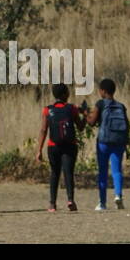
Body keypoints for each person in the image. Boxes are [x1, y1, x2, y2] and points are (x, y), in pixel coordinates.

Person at [37, 82, 84, 212]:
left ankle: (52, 204)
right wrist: (84, 115)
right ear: (65, 95)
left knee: (54, 174)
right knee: (68, 173)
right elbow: (80, 127)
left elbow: (43, 130)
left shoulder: (47, 110)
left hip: (53, 146)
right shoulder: (72, 108)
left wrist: (39, 150)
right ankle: (70, 200)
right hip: (69, 146)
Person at [85, 77, 129, 210]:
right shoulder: (121, 106)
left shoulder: (101, 104)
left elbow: (92, 122)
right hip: (118, 142)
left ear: (103, 91)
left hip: (103, 142)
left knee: (103, 171)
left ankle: (102, 203)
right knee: (117, 170)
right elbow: (127, 125)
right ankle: (118, 195)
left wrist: (86, 114)